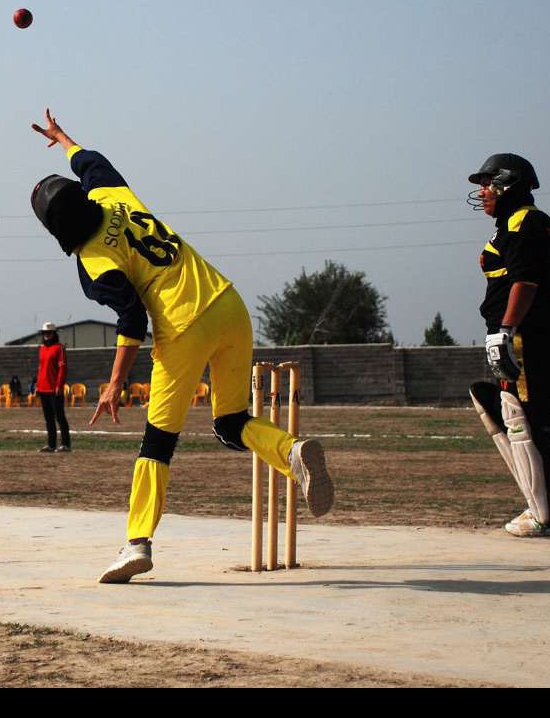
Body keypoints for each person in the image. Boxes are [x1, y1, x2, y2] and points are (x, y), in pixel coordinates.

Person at [29, 109, 333, 583]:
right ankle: (291, 452)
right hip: (229, 304)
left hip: (183, 326)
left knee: (158, 443)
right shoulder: (112, 195)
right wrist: (63, 138)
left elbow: (131, 319)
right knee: (231, 423)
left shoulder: (93, 261)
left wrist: (113, 384)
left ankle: (137, 543)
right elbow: (90, 161)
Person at [466, 155, 550, 537]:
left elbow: (525, 283)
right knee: (526, 415)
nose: (481, 193)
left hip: (532, 336)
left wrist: (506, 329)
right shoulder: (537, 223)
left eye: (486, 184)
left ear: (506, 184)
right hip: (546, 333)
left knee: (525, 419)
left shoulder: (522, 223)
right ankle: (546, 506)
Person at [35, 322, 72, 453]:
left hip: (54, 389)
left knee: (60, 417)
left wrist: (59, 385)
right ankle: (51, 445)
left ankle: (66, 444)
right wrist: (37, 385)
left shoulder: (59, 348)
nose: (46, 335)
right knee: (48, 418)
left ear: (54, 334)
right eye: (44, 333)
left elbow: (62, 368)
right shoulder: (42, 348)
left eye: (49, 333)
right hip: (43, 388)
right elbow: (40, 369)